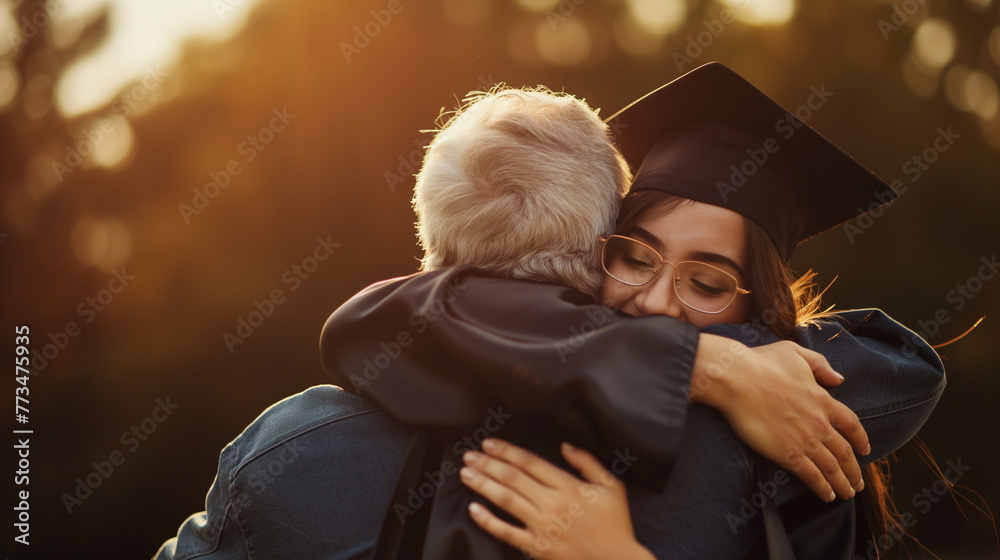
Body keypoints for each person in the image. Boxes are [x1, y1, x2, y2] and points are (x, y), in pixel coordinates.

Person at [153, 67, 943, 560]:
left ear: (760, 302)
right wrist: (710, 363)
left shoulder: (804, 450)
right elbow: (392, 313)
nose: (654, 303)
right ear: (592, 249)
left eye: (707, 284)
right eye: (633, 256)